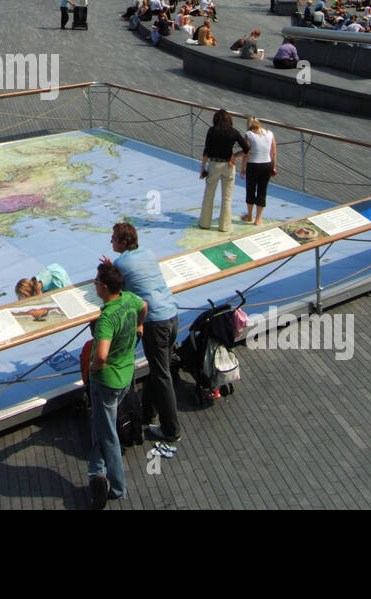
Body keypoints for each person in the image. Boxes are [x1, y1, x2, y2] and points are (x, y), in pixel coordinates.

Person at [103, 223, 180, 446]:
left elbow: (117, 289)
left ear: (124, 242)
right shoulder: (148, 252)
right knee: (158, 370)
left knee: (162, 375)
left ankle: (171, 430)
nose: (111, 242)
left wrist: (111, 269)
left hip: (154, 323)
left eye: (114, 238)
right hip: (171, 315)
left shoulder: (120, 264)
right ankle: (148, 414)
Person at [87, 261, 146, 510]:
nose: (95, 286)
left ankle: (116, 485)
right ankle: (96, 472)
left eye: (97, 283)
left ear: (105, 288)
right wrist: (139, 326)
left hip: (106, 382)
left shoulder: (107, 317)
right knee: (100, 425)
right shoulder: (129, 299)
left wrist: (93, 368)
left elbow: (101, 354)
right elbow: (144, 306)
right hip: (125, 374)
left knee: (108, 433)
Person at [199, 109, 250, 232]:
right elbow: (247, 149)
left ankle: (205, 223)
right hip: (228, 165)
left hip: (214, 164)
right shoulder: (233, 132)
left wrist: (203, 167)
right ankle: (224, 226)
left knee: (209, 195)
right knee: (227, 198)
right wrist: (235, 156)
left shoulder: (212, 131)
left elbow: (206, 150)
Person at [240, 116, 276, 227]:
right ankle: (258, 219)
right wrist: (274, 166)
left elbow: (247, 152)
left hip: (253, 165)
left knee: (250, 189)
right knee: (262, 191)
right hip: (266, 164)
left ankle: (250, 215)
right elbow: (273, 152)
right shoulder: (270, 133)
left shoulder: (249, 135)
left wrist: (242, 167)